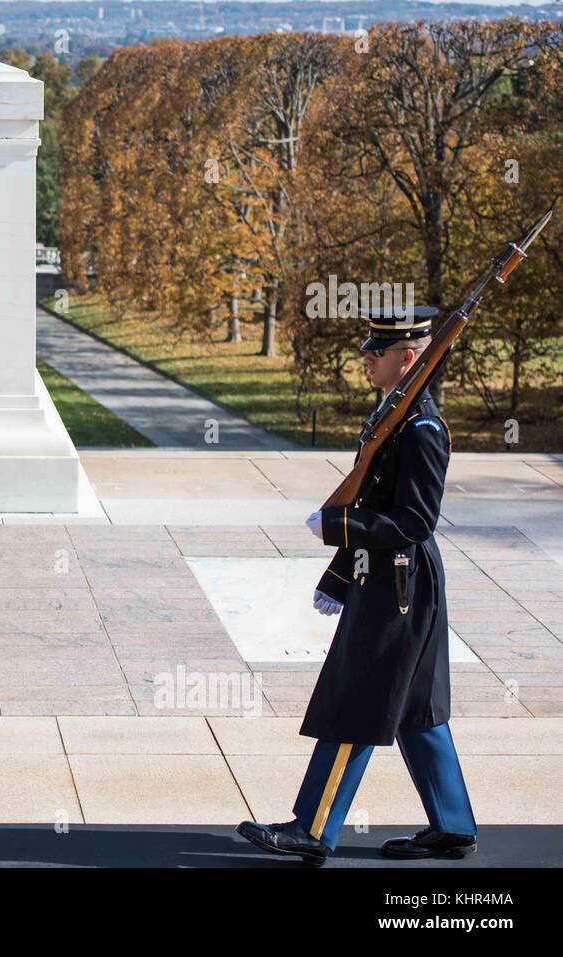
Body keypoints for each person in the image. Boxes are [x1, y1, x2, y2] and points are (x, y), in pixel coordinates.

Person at [236, 305, 478, 866]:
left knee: (359, 702)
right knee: (417, 708)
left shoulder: (421, 430)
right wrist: (341, 575)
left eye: (379, 350)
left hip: (401, 586)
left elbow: (414, 524)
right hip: (396, 580)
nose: (368, 357)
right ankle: (453, 824)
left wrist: (337, 527)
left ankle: (312, 828)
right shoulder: (396, 415)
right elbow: (375, 499)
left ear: (410, 358)